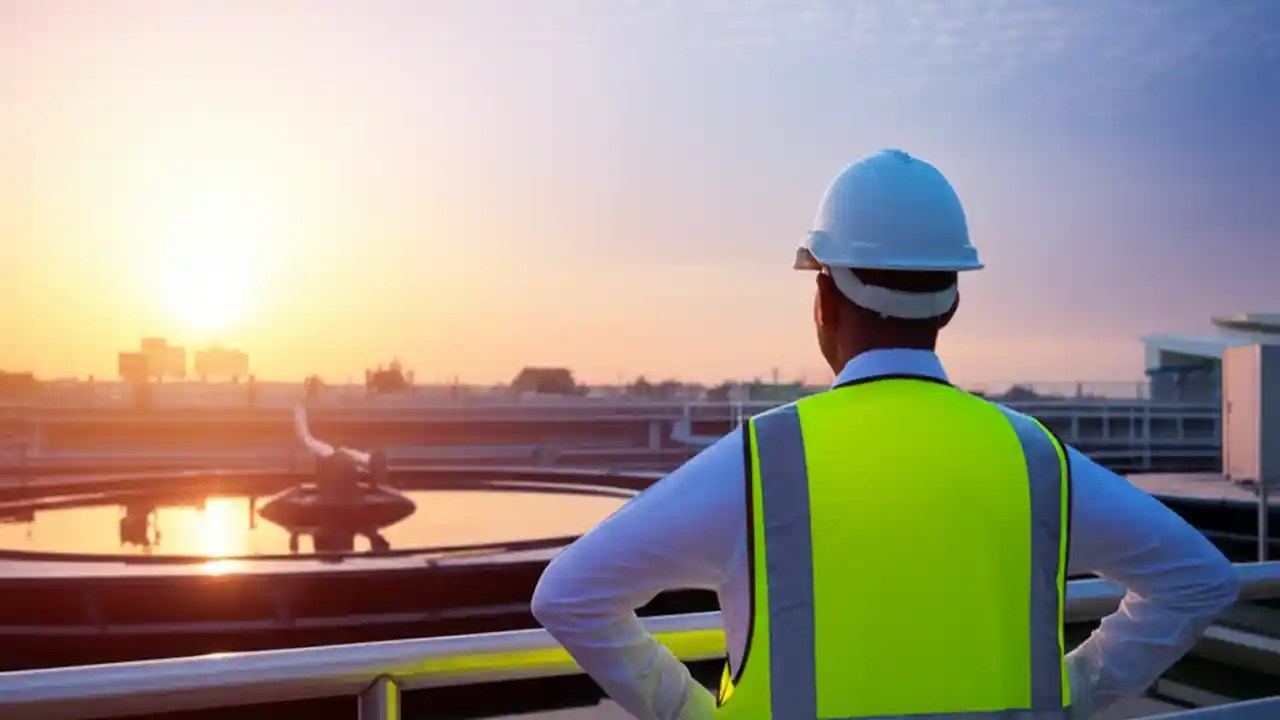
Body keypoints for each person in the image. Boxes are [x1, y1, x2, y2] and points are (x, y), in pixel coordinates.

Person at [532, 149, 1239, 719]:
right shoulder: (1034, 458)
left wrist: (688, 711)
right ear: (952, 301)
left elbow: (568, 595)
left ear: (823, 297)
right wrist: (1074, 692)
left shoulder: (762, 461)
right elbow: (1198, 580)